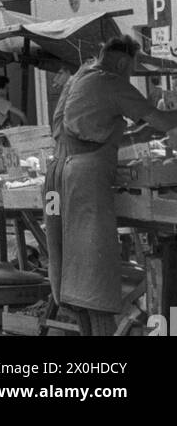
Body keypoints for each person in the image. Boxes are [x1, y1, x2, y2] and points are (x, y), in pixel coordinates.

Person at [46, 37, 177, 336]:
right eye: (131, 69)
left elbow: (91, 129)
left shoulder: (80, 76)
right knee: (93, 263)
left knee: (64, 258)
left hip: (54, 182)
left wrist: (140, 132)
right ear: (121, 63)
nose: (130, 75)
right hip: (84, 180)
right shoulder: (110, 80)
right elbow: (159, 118)